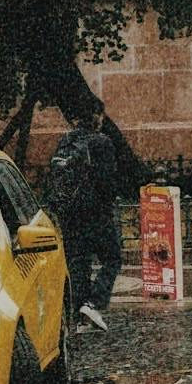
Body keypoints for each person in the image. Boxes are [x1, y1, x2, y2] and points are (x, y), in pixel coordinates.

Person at [43, 106, 123, 330]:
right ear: (97, 117)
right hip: (95, 213)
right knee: (112, 258)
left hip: (68, 214)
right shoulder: (101, 142)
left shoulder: (66, 142)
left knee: (78, 263)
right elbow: (107, 182)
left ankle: (79, 319)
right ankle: (93, 302)